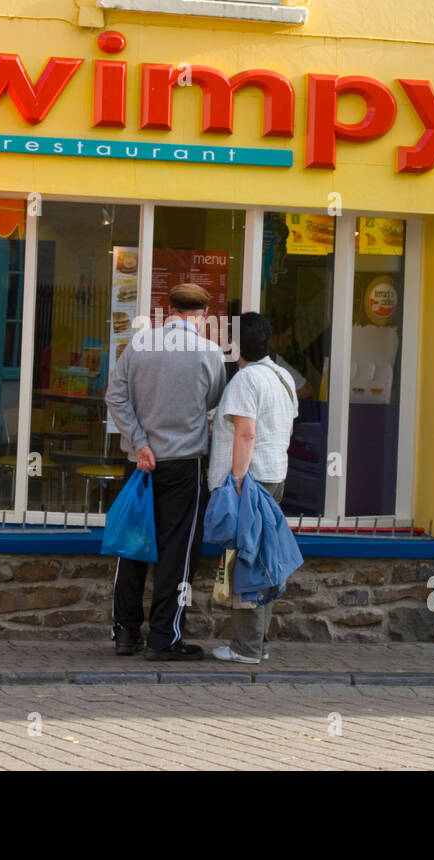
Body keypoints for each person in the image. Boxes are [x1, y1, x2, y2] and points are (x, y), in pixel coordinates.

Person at [105, 283, 227, 660]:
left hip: (140, 464)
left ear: (167, 308)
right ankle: (164, 638)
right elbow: (214, 400)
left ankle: (126, 633)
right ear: (203, 314)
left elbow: (115, 396)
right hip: (184, 463)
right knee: (177, 553)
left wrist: (140, 443)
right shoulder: (209, 352)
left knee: (132, 548)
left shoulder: (139, 345)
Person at [208, 312, 298, 664]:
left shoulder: (246, 380)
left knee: (244, 560)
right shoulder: (283, 377)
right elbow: (287, 431)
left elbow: (246, 432)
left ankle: (246, 648)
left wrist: (238, 481)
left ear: (235, 345)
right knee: (262, 560)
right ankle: (257, 644)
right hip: (274, 475)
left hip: (251, 481)